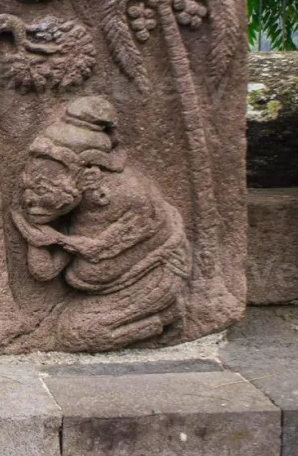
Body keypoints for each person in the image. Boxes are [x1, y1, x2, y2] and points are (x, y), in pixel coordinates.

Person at [11, 95, 190, 351]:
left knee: (79, 334)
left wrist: (56, 237)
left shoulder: (132, 197)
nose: (31, 199)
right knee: (67, 326)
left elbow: (98, 249)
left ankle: (165, 318)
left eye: (44, 188)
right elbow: (45, 272)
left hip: (150, 279)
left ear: (88, 176)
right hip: (98, 288)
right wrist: (34, 236)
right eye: (30, 186)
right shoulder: (74, 204)